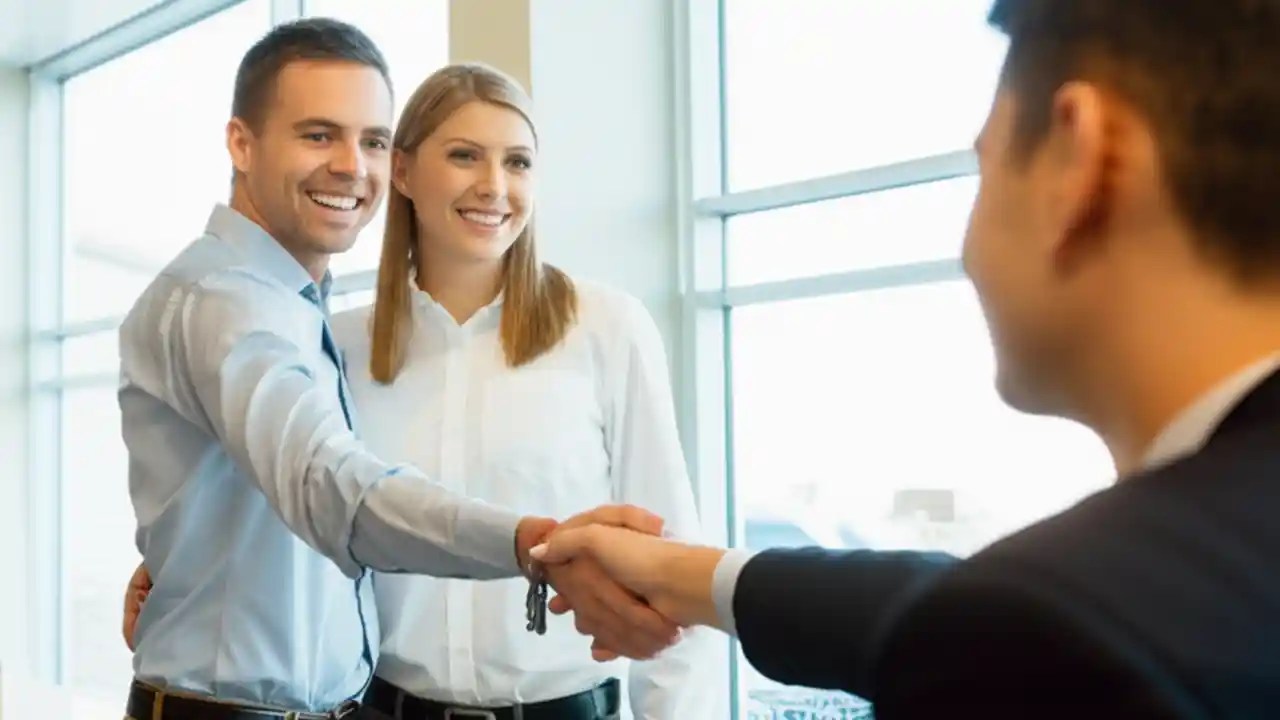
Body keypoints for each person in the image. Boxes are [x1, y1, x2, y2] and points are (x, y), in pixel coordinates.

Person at [531, 0, 1280, 717]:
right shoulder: (1150, 593)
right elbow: (1007, 609)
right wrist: (695, 576)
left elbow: (1026, 629)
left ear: (1075, 164)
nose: (967, 254)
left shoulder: (1053, 635)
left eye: (983, 170)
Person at [117, 18, 673, 720]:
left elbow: (248, 508)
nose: (351, 164)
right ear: (241, 142)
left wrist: (180, 572)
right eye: (318, 134)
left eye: (370, 140)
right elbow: (330, 490)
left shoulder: (300, 314)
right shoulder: (245, 307)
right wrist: (530, 542)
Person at [330, 62, 714, 720]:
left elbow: (674, 562)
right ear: (402, 171)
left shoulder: (605, 328)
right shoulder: (340, 348)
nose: (494, 186)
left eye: (518, 162)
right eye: (463, 156)